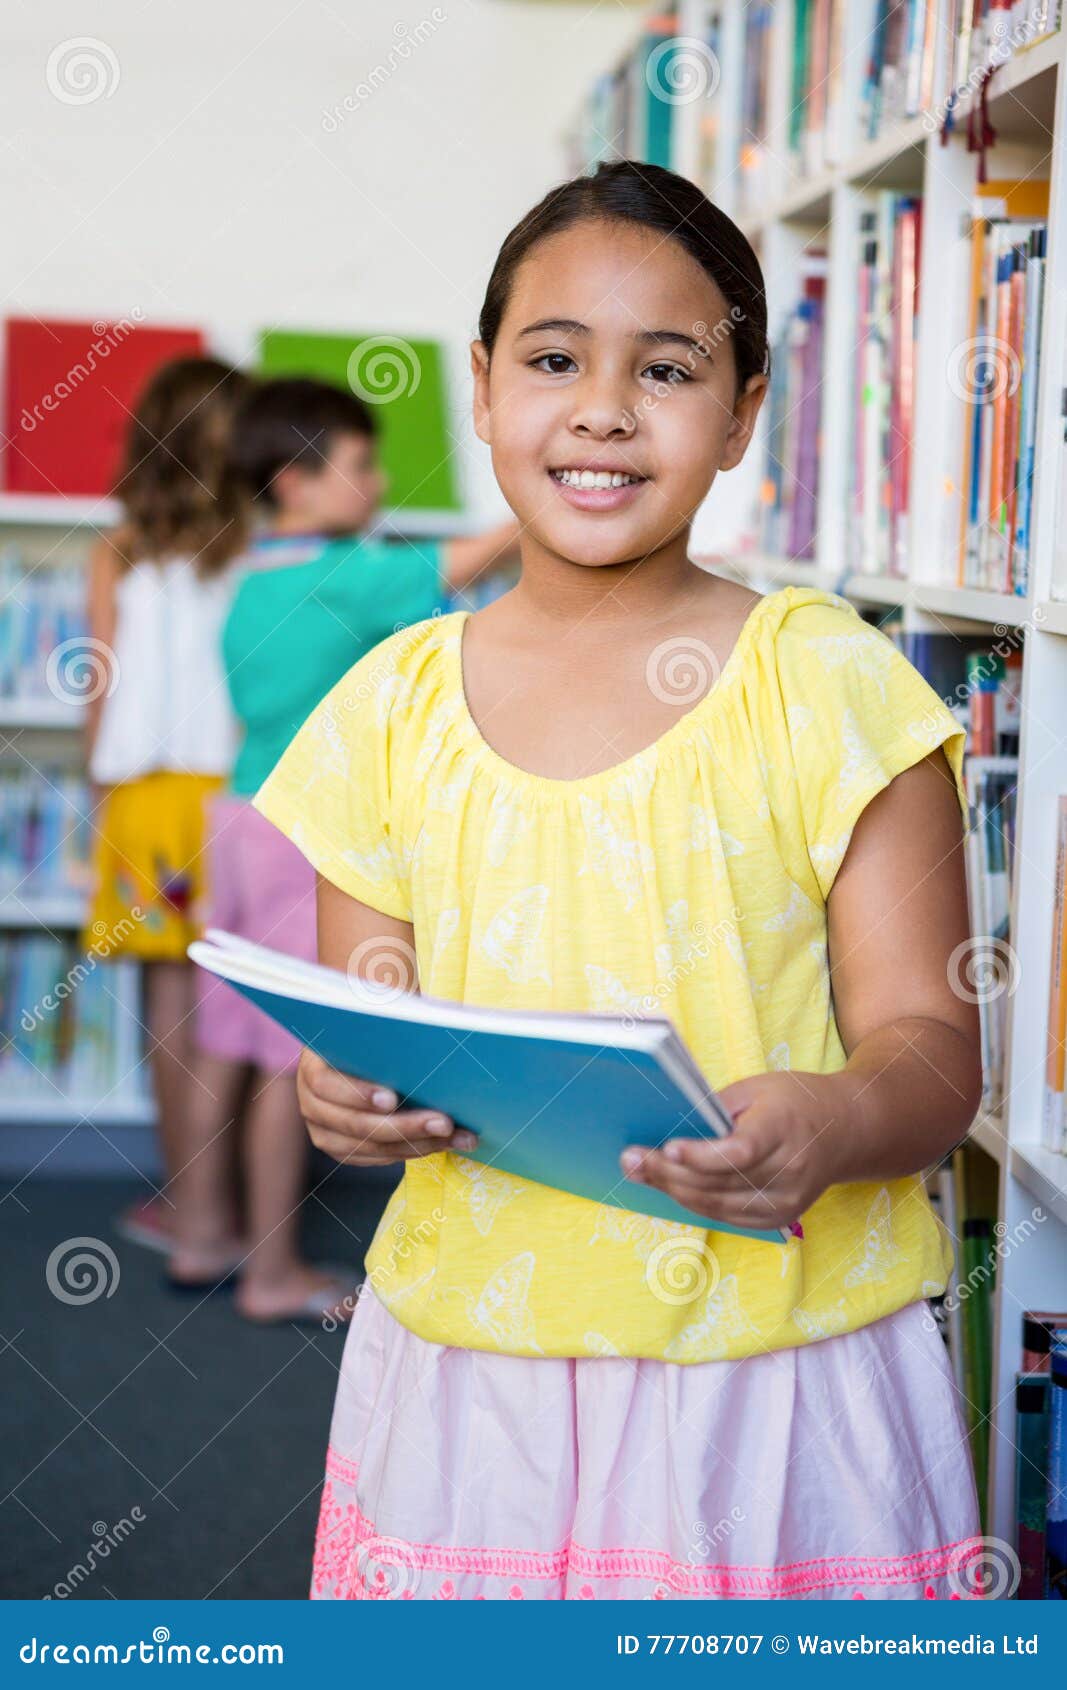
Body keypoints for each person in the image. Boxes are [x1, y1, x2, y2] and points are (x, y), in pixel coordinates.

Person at [252, 162, 983, 1596]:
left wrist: (830, 1118)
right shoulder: (387, 703)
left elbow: (932, 1056)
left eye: (664, 367)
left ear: (743, 412)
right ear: (478, 386)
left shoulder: (829, 682)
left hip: (778, 1370)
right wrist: (333, 1095)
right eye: (550, 359)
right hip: (475, 1377)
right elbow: (366, 1033)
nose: (598, 408)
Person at [172, 377, 519, 1322]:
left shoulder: (251, 577)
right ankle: (274, 1272)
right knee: (299, 1052)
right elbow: (483, 553)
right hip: (297, 834)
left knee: (228, 1041)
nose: (379, 481)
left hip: (237, 818)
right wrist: (552, 480)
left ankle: (201, 1228)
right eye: (360, 465)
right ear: (295, 481)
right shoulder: (345, 573)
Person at [84, 355, 250, 1257]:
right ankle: (225, 1217)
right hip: (233, 799)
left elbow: (98, 691)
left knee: (170, 1009)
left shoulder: (118, 550)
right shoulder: (259, 545)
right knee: (236, 1014)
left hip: (143, 804)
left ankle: (190, 1213)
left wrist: (95, 797)